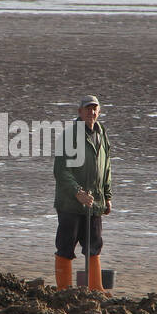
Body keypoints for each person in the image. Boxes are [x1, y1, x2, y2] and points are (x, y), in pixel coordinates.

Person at [53, 95, 113, 291]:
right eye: (87, 109)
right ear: (79, 112)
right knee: (65, 247)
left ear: (99, 112)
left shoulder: (102, 133)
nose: (91, 112)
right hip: (70, 204)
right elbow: (61, 170)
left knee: (94, 247)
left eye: (94, 109)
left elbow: (106, 167)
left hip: (94, 203)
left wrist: (107, 195)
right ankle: (64, 290)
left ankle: (97, 290)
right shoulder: (70, 135)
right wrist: (77, 192)